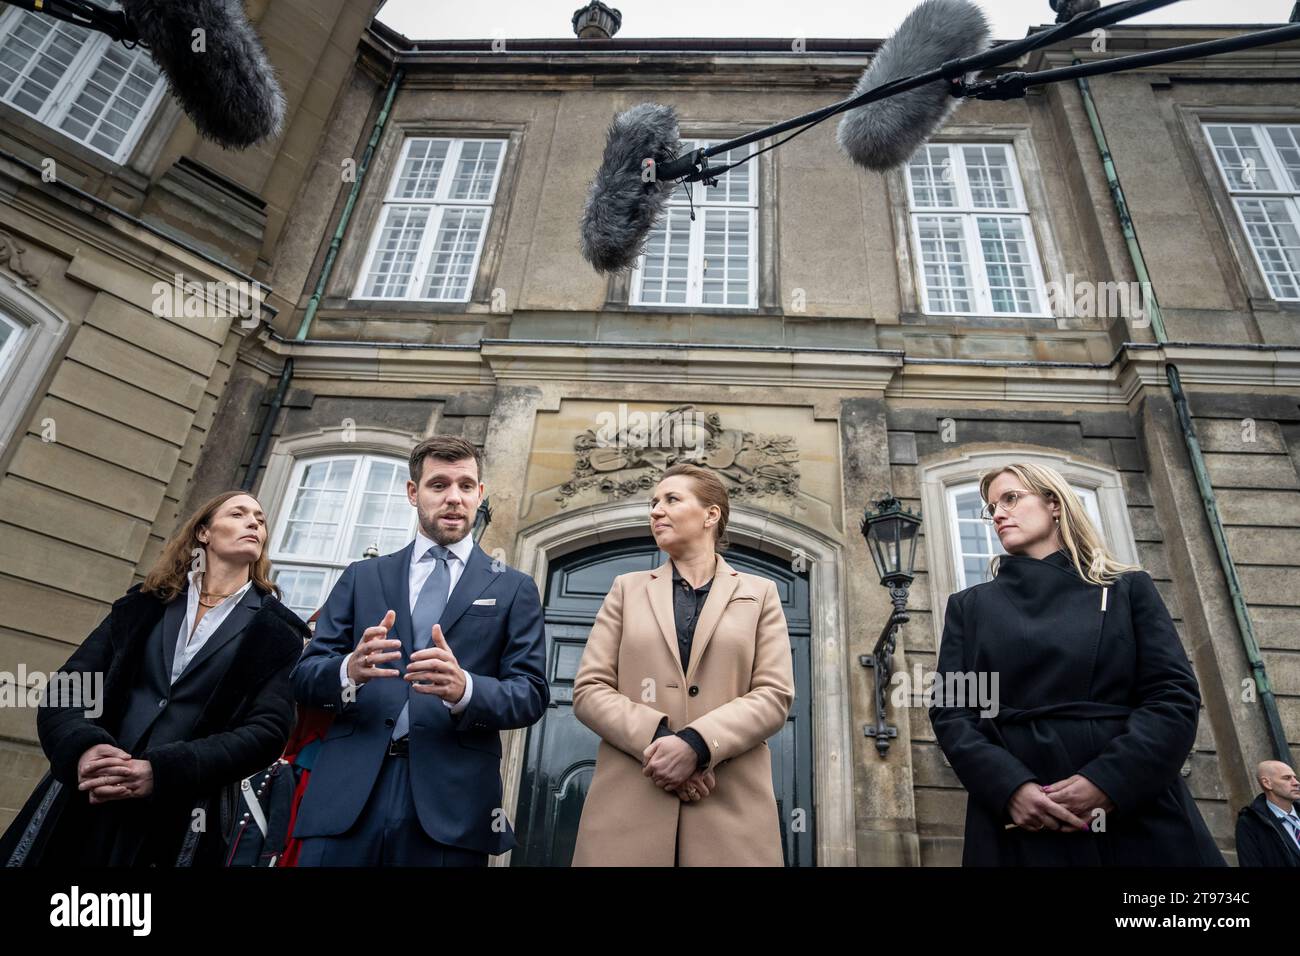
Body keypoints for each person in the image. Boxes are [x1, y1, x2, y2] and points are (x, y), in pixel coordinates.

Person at [929, 461, 1225, 866]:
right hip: (1020, 817)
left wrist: (1108, 781)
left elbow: (1171, 697)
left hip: (1134, 808)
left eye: (1011, 498)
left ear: (1054, 503)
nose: (997, 513)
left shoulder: (1127, 589)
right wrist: (1010, 788)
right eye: (991, 507)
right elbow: (952, 713)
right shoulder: (970, 607)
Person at [0, 491, 307, 867]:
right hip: (86, 797)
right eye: (239, 513)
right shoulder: (144, 604)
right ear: (204, 534)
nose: (254, 523)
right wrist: (84, 749)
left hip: (182, 820)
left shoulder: (278, 630)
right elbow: (71, 686)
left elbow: (267, 732)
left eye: (260, 519)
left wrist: (162, 772)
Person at [289, 436, 548, 866]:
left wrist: (465, 688)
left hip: (452, 806)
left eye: (466, 486)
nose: (454, 498)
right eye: (438, 485)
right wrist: (348, 670)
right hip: (345, 797)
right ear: (413, 493)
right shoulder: (363, 576)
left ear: (479, 494)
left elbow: (532, 693)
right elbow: (303, 676)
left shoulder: (513, 586)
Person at [571, 462, 794, 866]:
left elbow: (774, 695)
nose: (656, 510)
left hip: (730, 812)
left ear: (712, 515)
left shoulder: (761, 593)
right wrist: (662, 743)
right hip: (628, 810)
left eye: (671, 499)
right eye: (654, 502)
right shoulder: (626, 589)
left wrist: (696, 745)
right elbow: (589, 690)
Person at [1235, 760, 1300, 866]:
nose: (1296, 783)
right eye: (1287, 778)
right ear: (1267, 783)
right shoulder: (1250, 823)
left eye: (1294, 777)